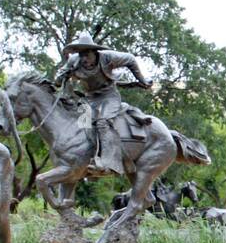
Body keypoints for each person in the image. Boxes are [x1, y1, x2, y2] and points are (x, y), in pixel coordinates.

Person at [53, 33, 152, 175]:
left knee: (102, 123)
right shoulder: (74, 61)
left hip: (108, 96)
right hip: (88, 98)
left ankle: (108, 162)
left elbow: (130, 59)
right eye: (81, 54)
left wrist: (142, 80)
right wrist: (61, 76)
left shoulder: (107, 57)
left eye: (87, 54)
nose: (84, 58)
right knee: (81, 125)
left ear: (94, 52)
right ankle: (84, 159)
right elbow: (59, 77)